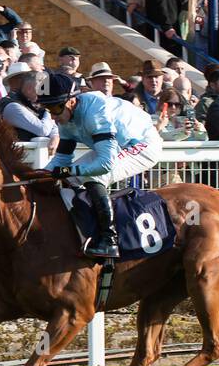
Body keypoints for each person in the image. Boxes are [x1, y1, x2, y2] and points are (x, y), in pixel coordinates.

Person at [41, 72, 164, 259]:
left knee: (94, 175)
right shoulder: (65, 116)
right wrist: (40, 176)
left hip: (142, 145)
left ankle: (109, 240)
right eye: (48, 110)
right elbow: (61, 160)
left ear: (71, 101)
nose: (54, 117)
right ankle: (84, 231)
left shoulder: (94, 113)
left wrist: (65, 170)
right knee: (71, 178)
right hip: (116, 145)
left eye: (56, 109)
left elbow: (105, 164)